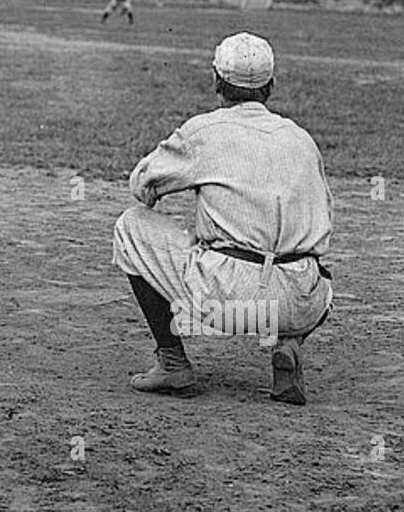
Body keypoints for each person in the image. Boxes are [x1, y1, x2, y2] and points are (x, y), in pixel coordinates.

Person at [111, 32, 333, 405]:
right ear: (271, 86)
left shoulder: (204, 130)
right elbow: (324, 219)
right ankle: (289, 343)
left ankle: (172, 363)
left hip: (230, 299)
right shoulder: (301, 138)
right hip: (305, 299)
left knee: (131, 226)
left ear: (217, 81)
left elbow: (142, 186)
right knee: (302, 260)